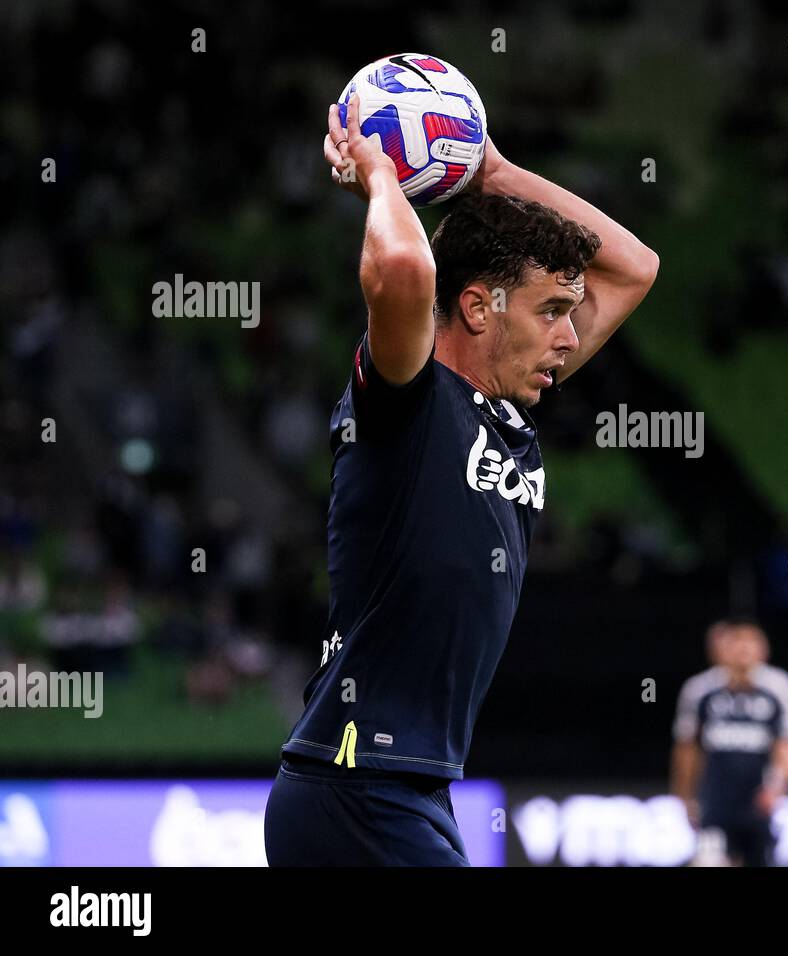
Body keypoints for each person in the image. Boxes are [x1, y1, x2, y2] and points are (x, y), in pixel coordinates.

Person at [264, 91, 658, 866]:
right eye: (551, 310)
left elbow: (634, 267)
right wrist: (382, 178)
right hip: (355, 781)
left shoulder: (505, 409)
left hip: (409, 786)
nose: (571, 335)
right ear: (479, 307)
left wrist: (492, 170)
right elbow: (406, 268)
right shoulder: (408, 402)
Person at [670, 618, 788, 866]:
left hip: (759, 804)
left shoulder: (778, 687)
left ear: (764, 649)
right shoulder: (700, 689)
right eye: (736, 642)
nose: (743, 650)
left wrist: (779, 784)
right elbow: (687, 748)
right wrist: (684, 797)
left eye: (751, 642)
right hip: (714, 802)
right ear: (720, 648)